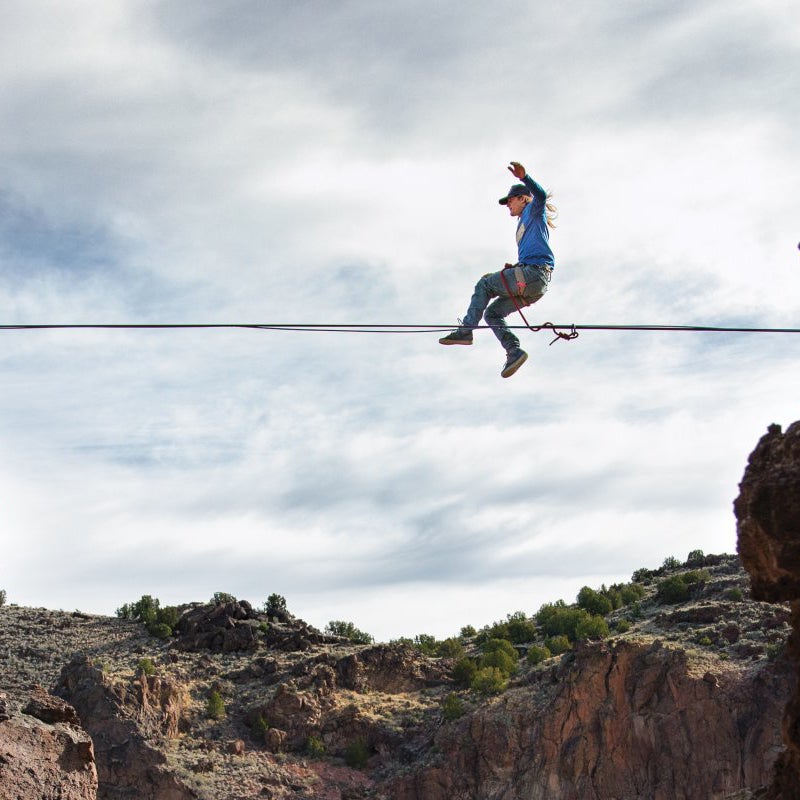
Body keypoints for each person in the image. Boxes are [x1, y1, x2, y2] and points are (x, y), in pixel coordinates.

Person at [439, 161, 556, 378]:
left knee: (485, 283)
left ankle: (465, 332)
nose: (507, 205)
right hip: (534, 283)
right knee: (492, 313)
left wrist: (524, 177)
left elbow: (540, 195)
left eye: (510, 201)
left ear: (523, 198)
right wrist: (517, 268)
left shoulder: (533, 209)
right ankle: (514, 351)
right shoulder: (524, 224)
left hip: (534, 274)